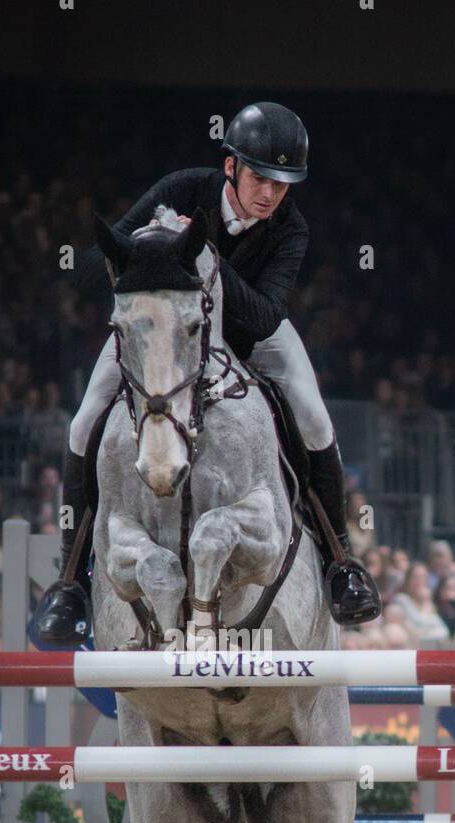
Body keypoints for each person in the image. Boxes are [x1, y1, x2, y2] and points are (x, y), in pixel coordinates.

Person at [37, 101, 381, 643]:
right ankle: (70, 581)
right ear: (231, 167)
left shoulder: (290, 228)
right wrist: (144, 250)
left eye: (282, 184)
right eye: (260, 178)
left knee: (315, 417)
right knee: (83, 424)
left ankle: (342, 562)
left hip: (251, 339)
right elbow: (90, 272)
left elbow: (266, 314)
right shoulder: (179, 190)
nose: (270, 194)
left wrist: (207, 259)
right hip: (167, 335)